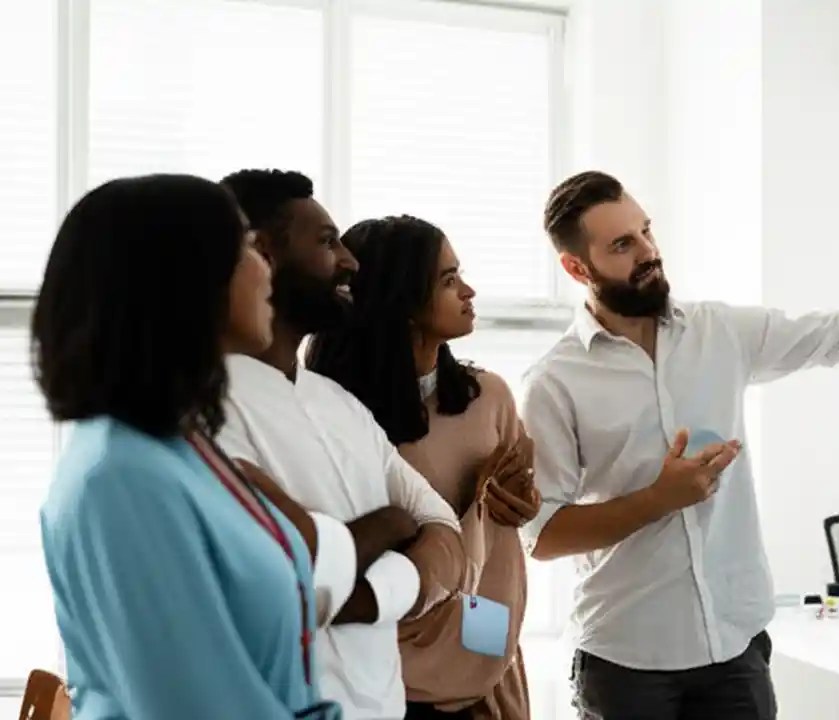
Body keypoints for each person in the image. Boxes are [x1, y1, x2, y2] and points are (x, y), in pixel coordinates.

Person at [519, 170, 839, 719]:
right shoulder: (553, 383)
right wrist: (657, 499)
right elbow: (544, 534)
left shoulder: (718, 332)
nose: (648, 252)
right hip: (626, 663)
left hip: (734, 651)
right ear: (576, 267)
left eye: (646, 231)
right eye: (623, 244)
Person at [35, 174, 342, 718]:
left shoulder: (181, 443)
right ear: (186, 278)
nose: (265, 267)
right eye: (248, 248)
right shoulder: (122, 474)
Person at [216, 170, 472, 720]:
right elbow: (284, 578)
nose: (351, 262)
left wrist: (371, 597)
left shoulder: (340, 405)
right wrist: (390, 525)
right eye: (328, 243)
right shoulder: (204, 411)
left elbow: (445, 535)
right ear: (262, 253)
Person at [307, 215, 542, 720]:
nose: (469, 291)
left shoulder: (491, 397)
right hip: (392, 678)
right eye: (449, 280)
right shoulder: (340, 417)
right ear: (402, 302)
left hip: (490, 664)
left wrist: (523, 500)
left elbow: (512, 520)